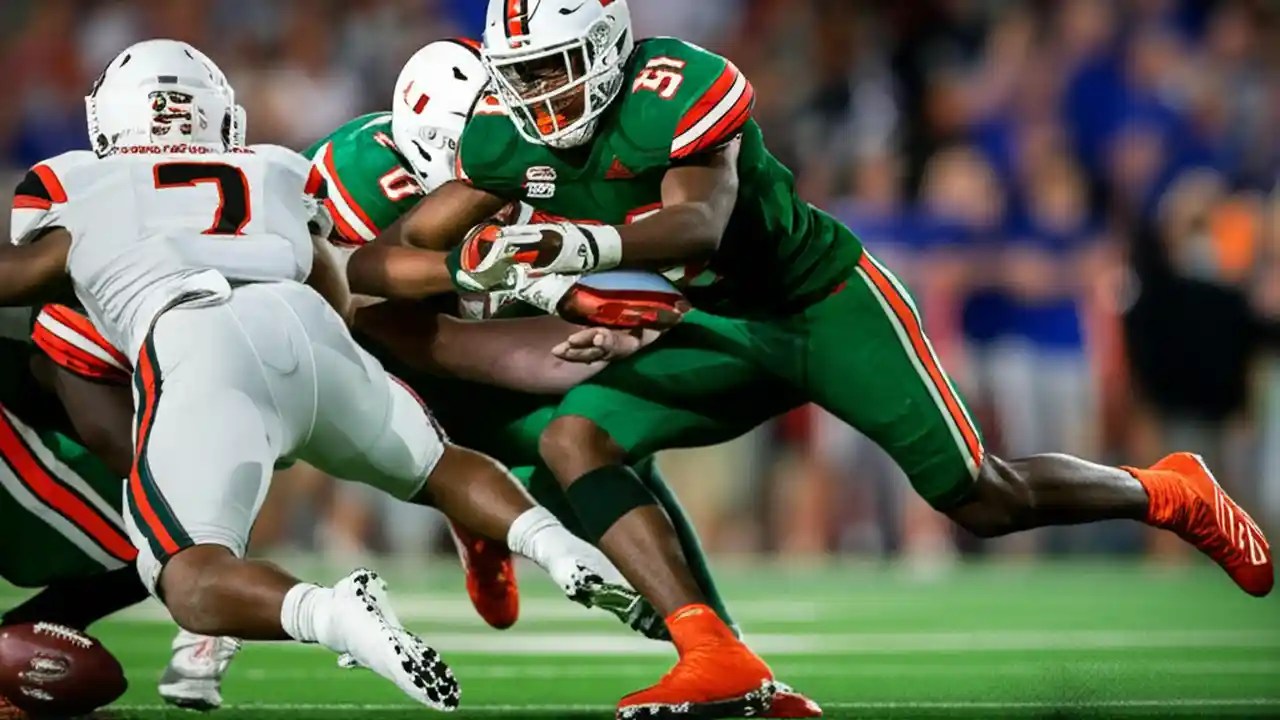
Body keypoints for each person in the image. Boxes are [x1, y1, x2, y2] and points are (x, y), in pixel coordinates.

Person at [390, 1, 1275, 717]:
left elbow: (698, 220)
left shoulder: (676, 86)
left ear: (607, 47)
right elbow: (382, 259)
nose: (537, 95)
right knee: (572, 439)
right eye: (520, 76)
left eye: (552, 69)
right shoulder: (506, 139)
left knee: (980, 496)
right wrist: (466, 263)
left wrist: (571, 251)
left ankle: (1169, 490)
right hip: (719, 321)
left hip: (822, 303)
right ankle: (717, 654)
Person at [0, 38, 647, 710]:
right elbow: (333, 289)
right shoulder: (272, 168)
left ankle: (334, 615)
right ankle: (561, 548)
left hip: (190, 333)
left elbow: (24, 285)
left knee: (187, 579)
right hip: (303, 320)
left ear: (109, 121)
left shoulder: (80, 183)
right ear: (221, 116)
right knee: (441, 467)